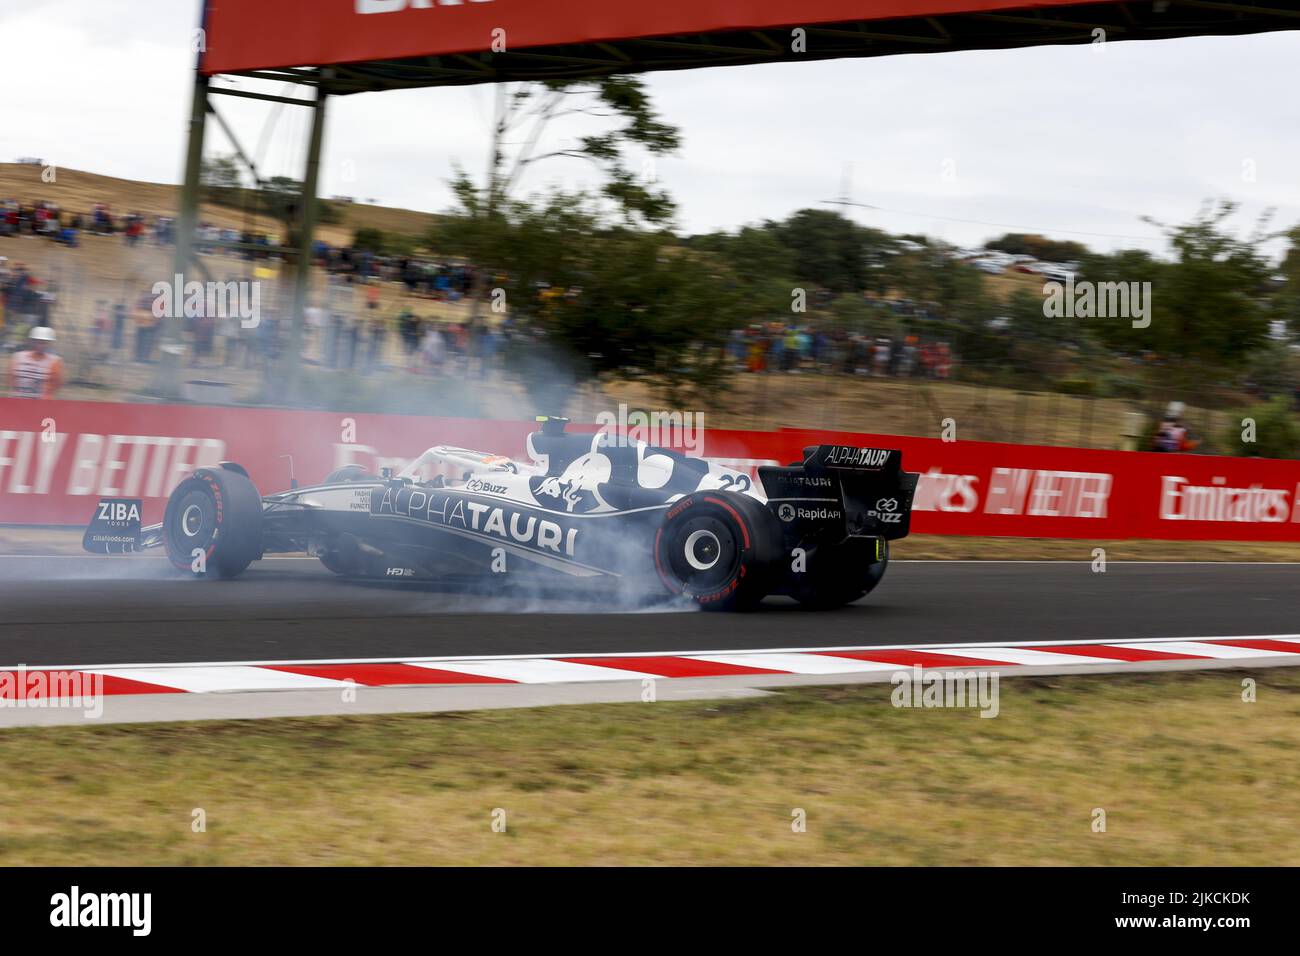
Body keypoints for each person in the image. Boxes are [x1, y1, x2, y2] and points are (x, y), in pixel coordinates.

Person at [8, 327, 65, 399]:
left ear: (49, 343)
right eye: (39, 342)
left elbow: (58, 384)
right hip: (18, 402)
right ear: (32, 342)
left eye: (45, 343)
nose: (41, 345)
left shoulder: (55, 362)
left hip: (42, 405)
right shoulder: (18, 357)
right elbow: (11, 380)